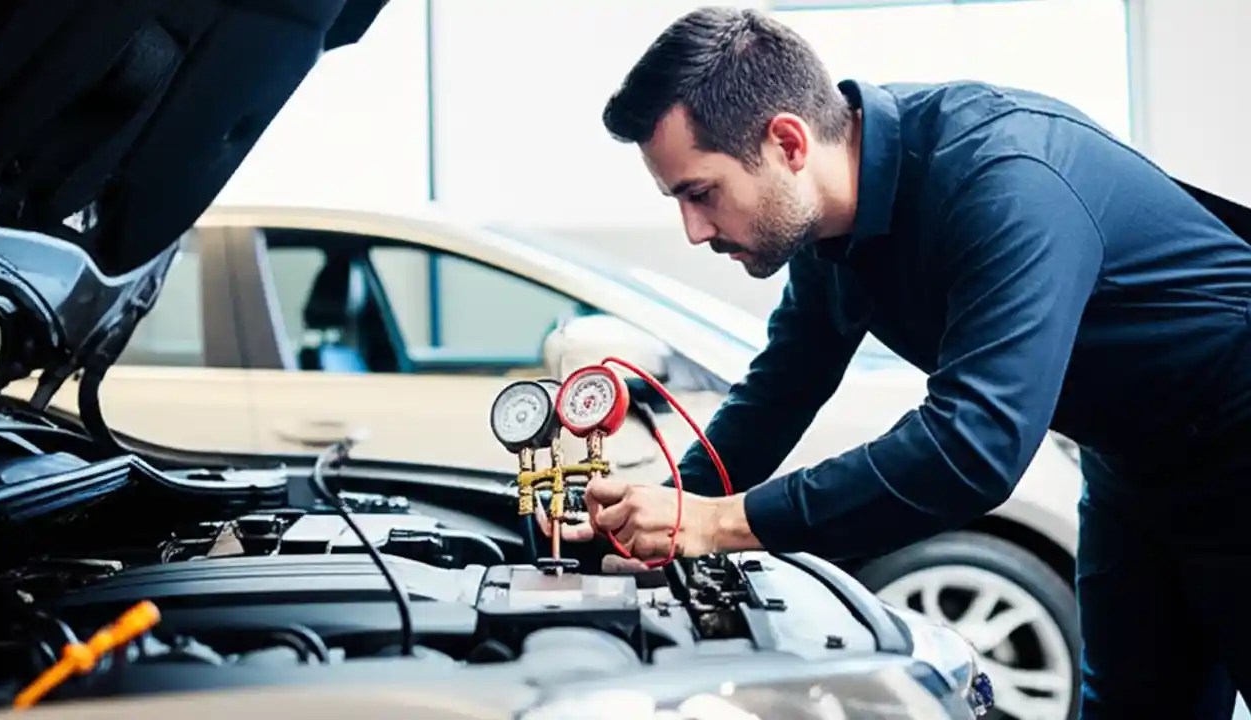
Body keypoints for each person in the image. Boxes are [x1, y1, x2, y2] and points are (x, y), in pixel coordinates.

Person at [534, 5, 1251, 719]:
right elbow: (782, 389)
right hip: (1133, 470)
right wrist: (651, 515)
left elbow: (971, 446)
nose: (693, 231)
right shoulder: (828, 233)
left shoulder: (1001, 176)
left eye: (701, 193)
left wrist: (720, 523)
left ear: (786, 141)